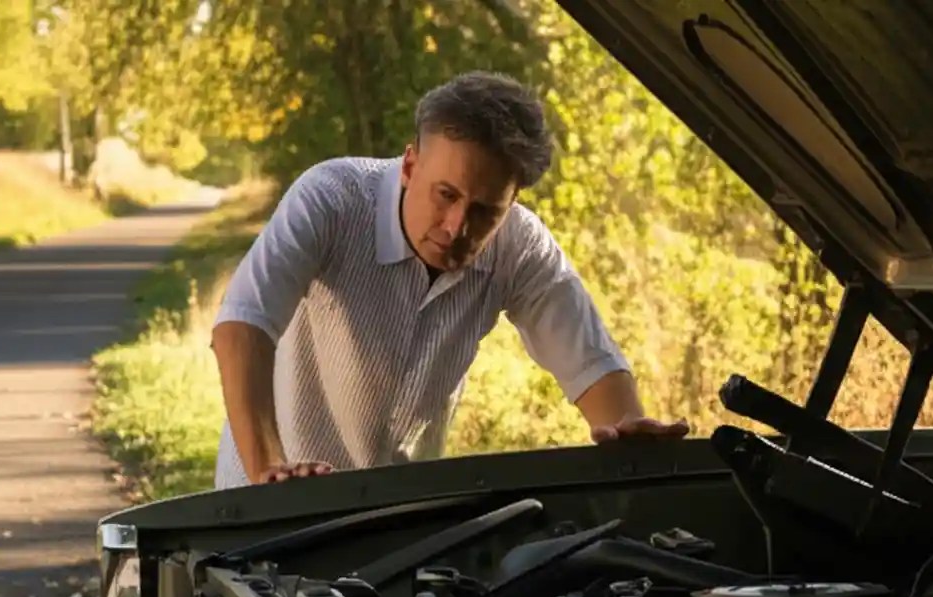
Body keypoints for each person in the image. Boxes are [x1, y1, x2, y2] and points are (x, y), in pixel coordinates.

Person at [209, 70, 688, 489]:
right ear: (411, 165)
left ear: (513, 200)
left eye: (485, 210)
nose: (457, 226)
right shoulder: (329, 200)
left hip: (394, 520)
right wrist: (269, 473)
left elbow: (591, 364)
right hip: (265, 500)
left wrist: (631, 436)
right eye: (445, 194)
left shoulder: (519, 246)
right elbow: (242, 326)